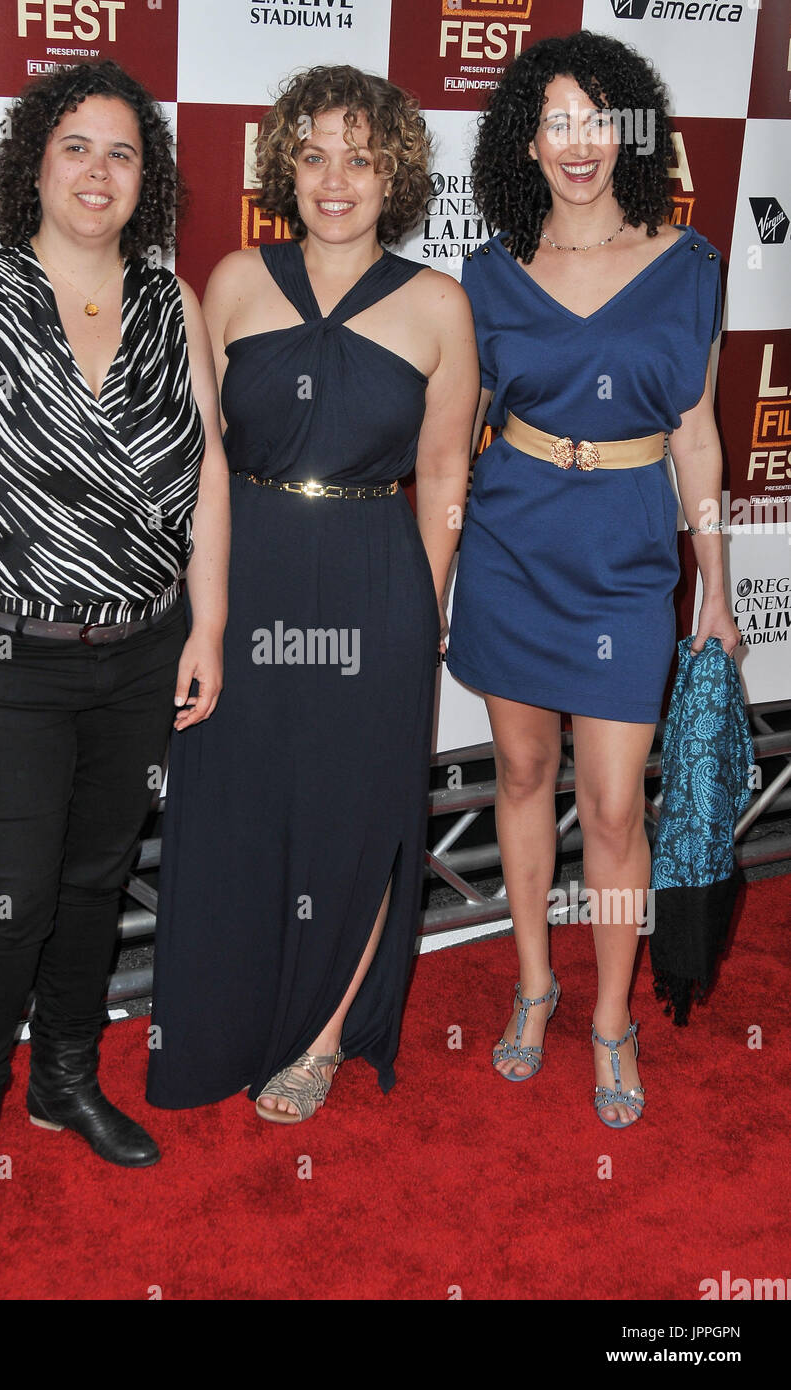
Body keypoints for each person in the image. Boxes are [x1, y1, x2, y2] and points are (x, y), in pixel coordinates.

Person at [0, 60, 230, 1253]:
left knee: (92, 886)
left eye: (123, 151)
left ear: (149, 178)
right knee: (5, 904)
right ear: (34, 162)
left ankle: (65, 1077)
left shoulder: (171, 303)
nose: (98, 170)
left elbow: (209, 477)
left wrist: (211, 624)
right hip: (7, 659)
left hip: (140, 655)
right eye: (75, 146)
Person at [145, 65, 477, 1122]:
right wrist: (205, 607)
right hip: (244, 574)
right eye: (316, 153)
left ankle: (326, 1033)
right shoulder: (235, 279)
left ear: (397, 174)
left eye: (362, 156)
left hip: (375, 577)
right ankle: (230, 1012)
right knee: (236, 804)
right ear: (287, 165)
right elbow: (199, 456)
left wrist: (418, 617)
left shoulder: (438, 305)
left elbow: (444, 478)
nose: (337, 177)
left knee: (358, 814)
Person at [445, 31, 740, 1128]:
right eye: (555, 119)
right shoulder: (488, 271)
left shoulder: (689, 260)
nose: (578, 142)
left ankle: (611, 1016)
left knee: (614, 805)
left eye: (597, 117)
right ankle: (535, 986)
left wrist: (715, 587)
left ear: (630, 132)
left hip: (623, 556)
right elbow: (452, 440)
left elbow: (699, 436)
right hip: (513, 546)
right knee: (522, 780)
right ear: (527, 136)